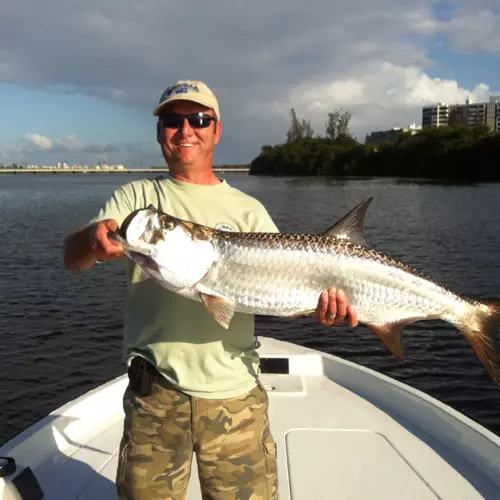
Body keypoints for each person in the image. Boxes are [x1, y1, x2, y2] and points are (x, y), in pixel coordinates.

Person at [63, 80, 358, 500]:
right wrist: (92, 240)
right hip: (155, 400)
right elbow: (72, 257)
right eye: (171, 120)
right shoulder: (138, 199)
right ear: (159, 131)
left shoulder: (248, 210)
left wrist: (324, 307)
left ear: (216, 130)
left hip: (237, 399)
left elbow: (291, 290)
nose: (185, 130)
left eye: (199, 119)